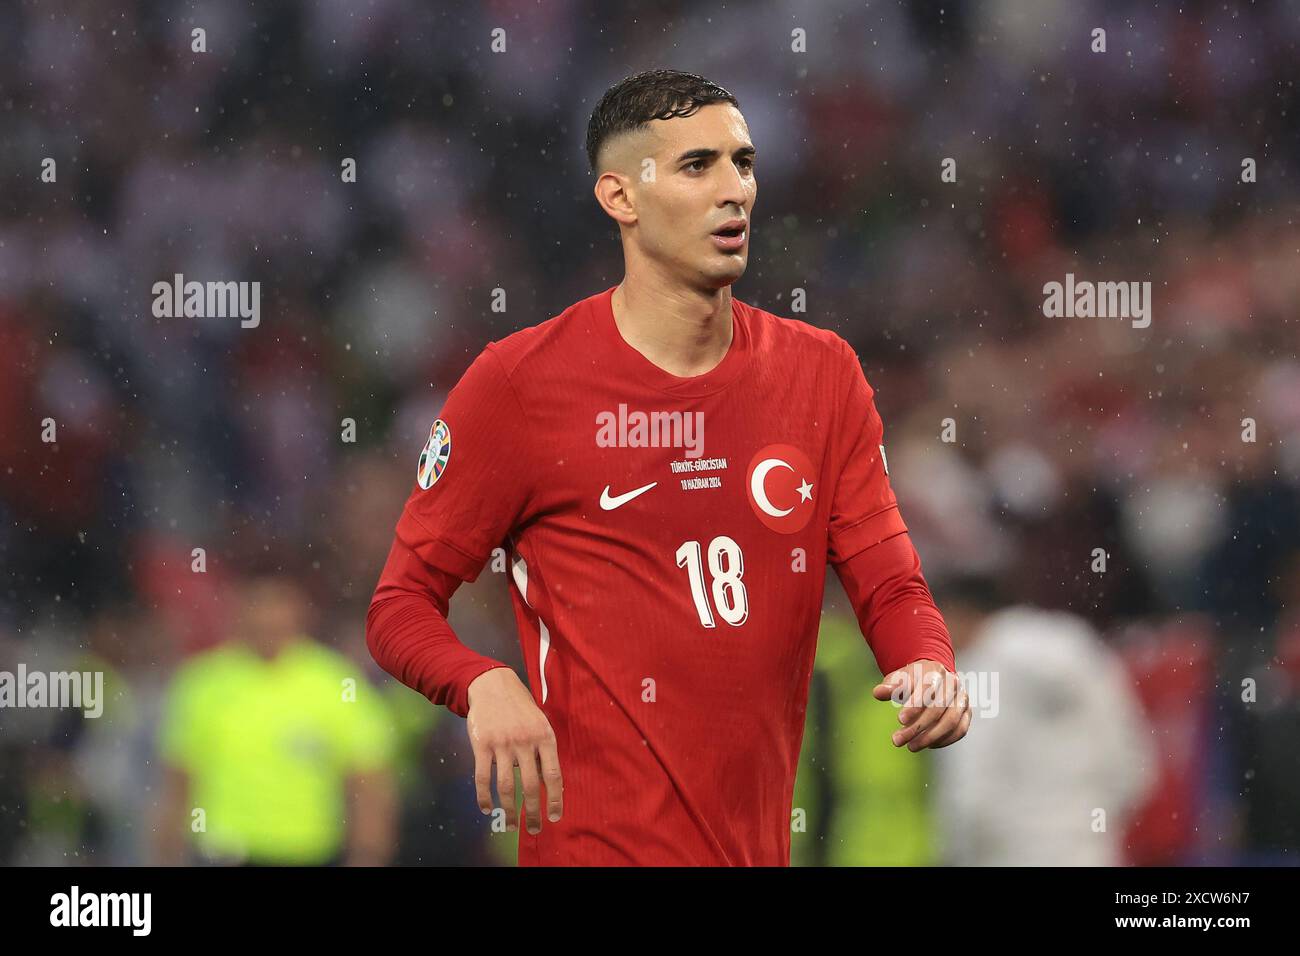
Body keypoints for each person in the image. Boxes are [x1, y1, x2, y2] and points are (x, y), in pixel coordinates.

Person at [367, 69, 968, 866]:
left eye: (743, 163)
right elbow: (399, 604)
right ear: (621, 197)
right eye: (697, 166)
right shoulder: (519, 386)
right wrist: (481, 681)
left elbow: (888, 582)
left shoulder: (821, 376)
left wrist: (927, 662)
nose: (736, 191)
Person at [156, 574, 398, 866]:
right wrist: (166, 853)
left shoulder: (335, 683)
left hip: (309, 853)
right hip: (222, 852)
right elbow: (179, 782)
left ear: (299, 622)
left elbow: (369, 781)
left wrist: (367, 854)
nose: (269, 635)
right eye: (260, 626)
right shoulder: (203, 683)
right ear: (240, 622)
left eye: (277, 627)